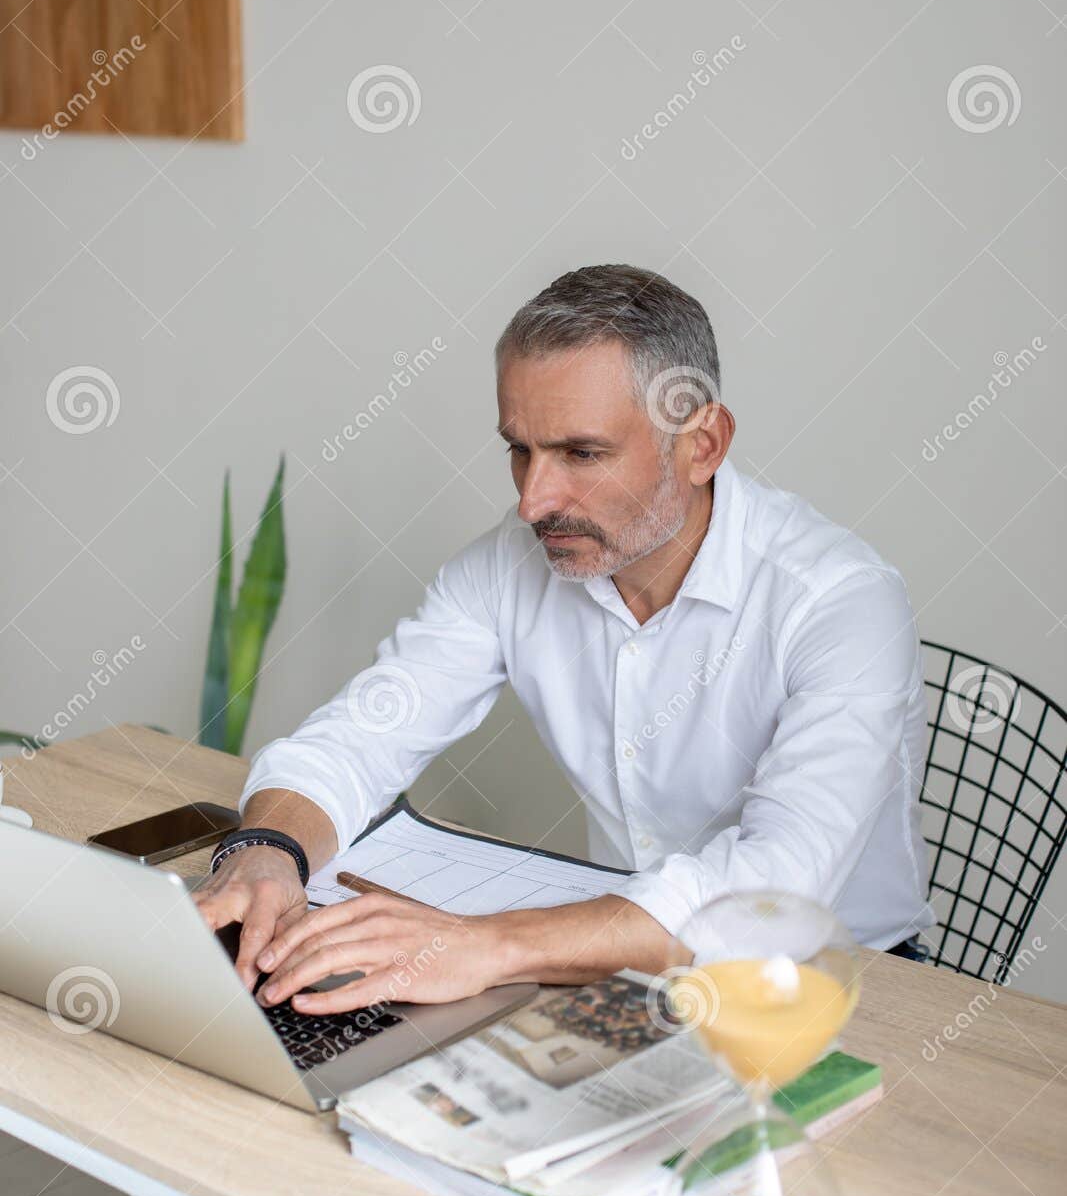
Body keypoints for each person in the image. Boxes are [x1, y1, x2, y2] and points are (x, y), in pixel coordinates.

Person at [195, 264, 935, 1014]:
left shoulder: (841, 602)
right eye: (519, 449)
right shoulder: (506, 566)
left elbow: (776, 890)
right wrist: (267, 855)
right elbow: (359, 739)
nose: (532, 501)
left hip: (845, 990)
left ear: (702, 444)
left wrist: (491, 945)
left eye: (581, 454)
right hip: (610, 966)